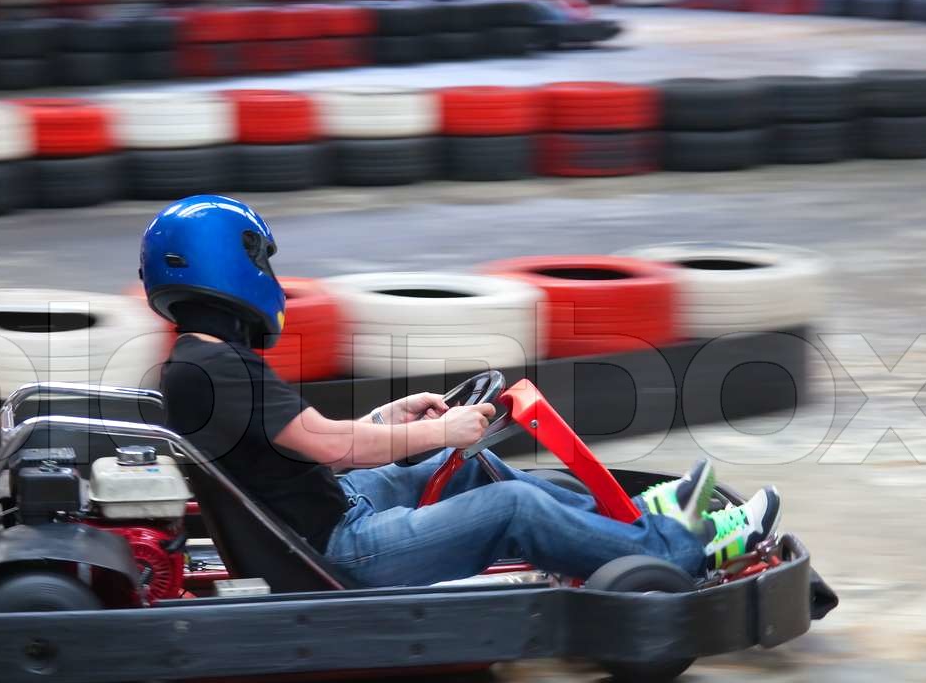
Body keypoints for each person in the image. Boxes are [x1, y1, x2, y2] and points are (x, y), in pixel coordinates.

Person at [141, 195, 781, 588]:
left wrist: (387, 419)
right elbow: (330, 446)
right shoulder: (219, 368)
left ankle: (632, 527)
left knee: (474, 468)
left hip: (324, 514)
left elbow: (295, 446)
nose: (269, 276)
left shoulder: (200, 363)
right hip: (337, 551)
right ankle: (682, 550)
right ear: (226, 262)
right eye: (259, 259)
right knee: (513, 507)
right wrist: (438, 430)